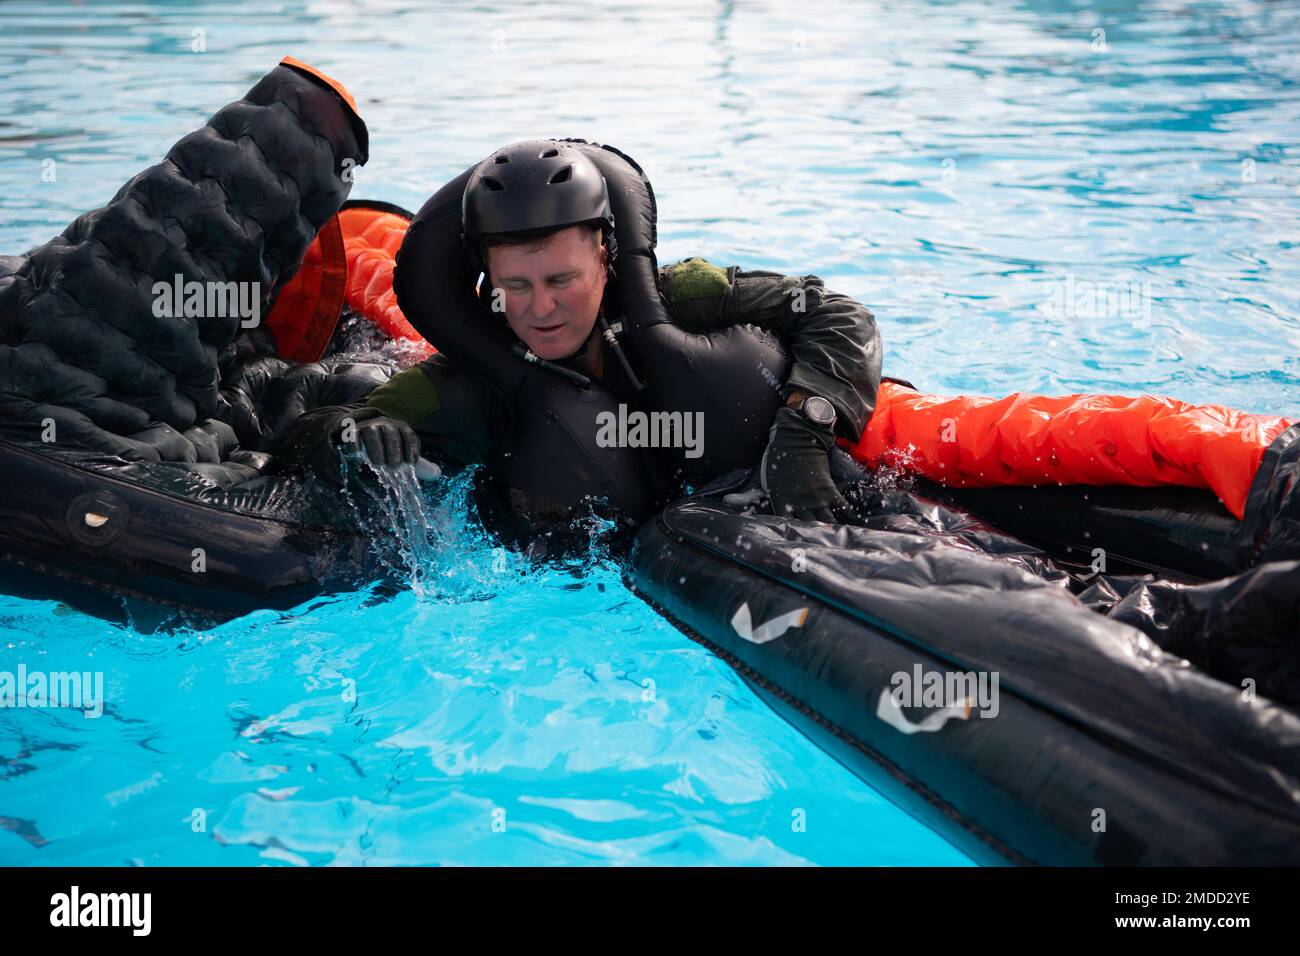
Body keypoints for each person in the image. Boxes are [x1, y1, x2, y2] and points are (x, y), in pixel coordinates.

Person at [279, 139, 883, 537]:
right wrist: (353, 436)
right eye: (516, 285)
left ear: (605, 256)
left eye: (561, 279)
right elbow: (309, 439)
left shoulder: (684, 298)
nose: (540, 310)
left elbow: (839, 314)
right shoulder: (469, 385)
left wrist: (805, 431)